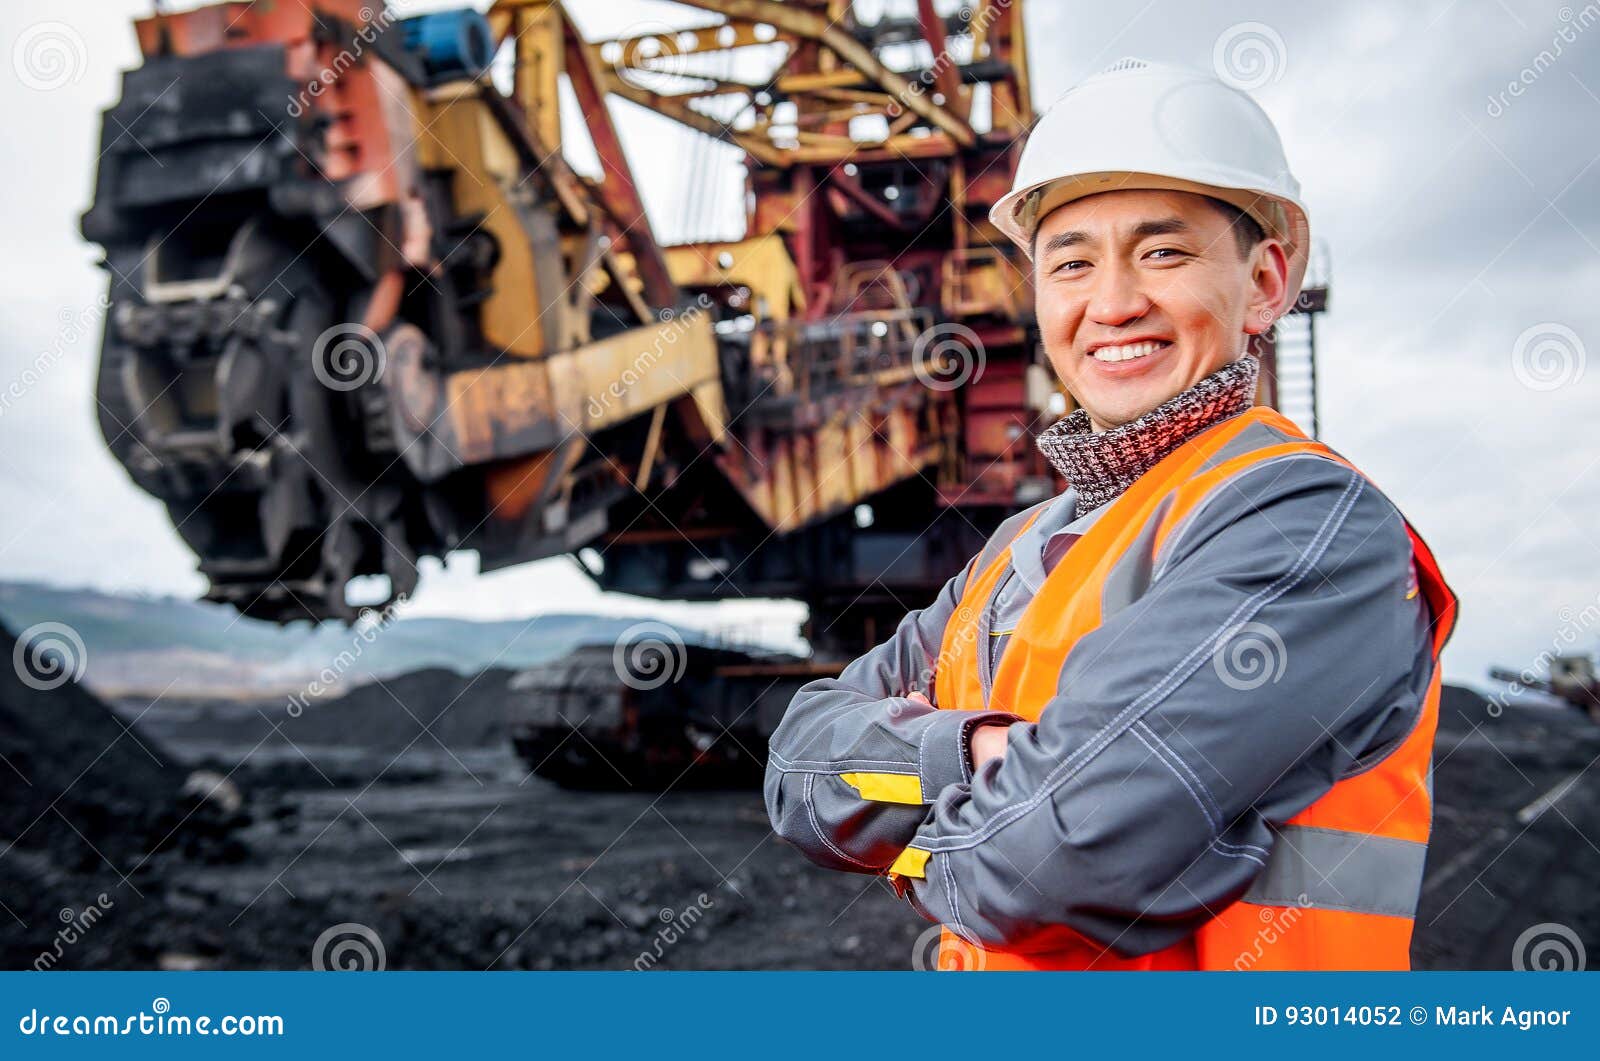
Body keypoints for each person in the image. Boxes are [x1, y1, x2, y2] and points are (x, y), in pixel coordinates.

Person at [763, 58, 1458, 971]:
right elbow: (796, 768)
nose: (1114, 302)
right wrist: (975, 754)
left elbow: (1045, 868)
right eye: (1072, 262)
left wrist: (907, 827)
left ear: (1266, 283)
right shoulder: (1022, 547)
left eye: (1163, 252)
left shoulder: (1311, 527)